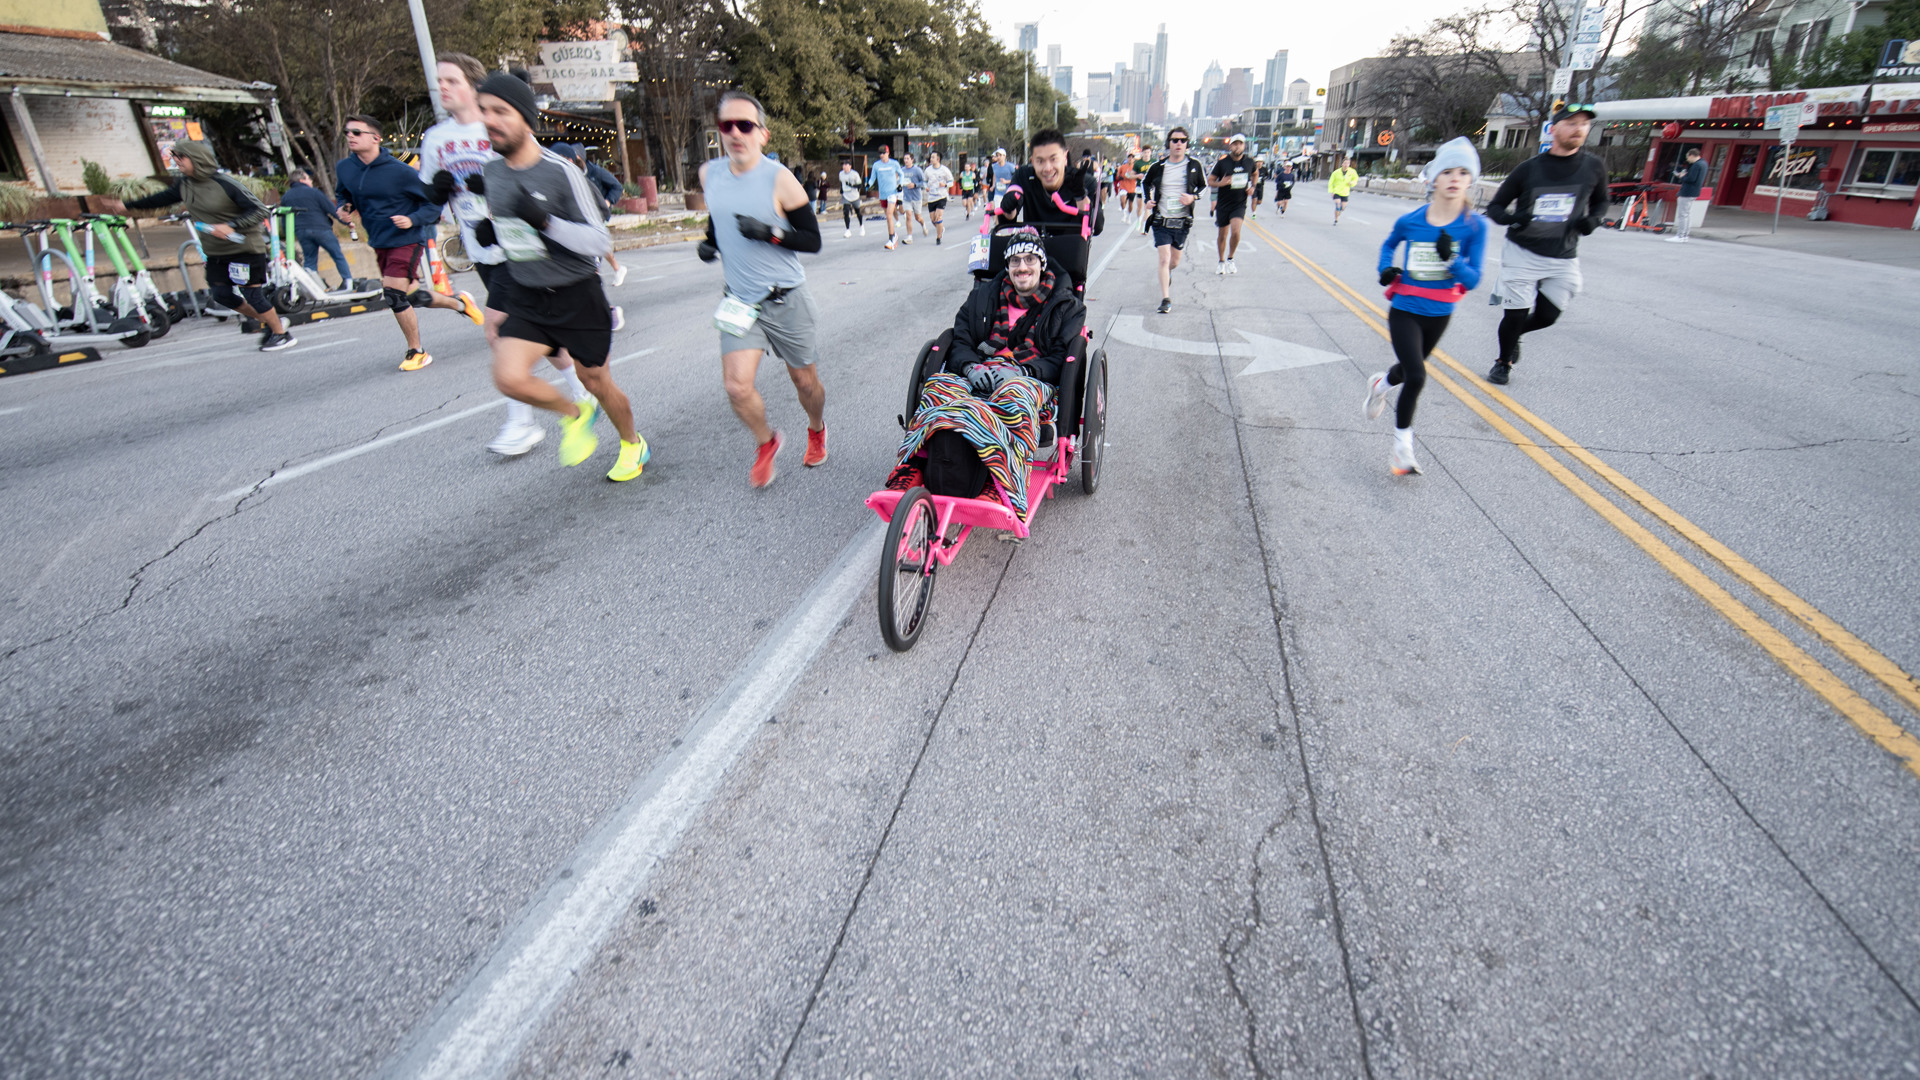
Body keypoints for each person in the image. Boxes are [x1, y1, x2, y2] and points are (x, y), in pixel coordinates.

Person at [473, 72, 648, 481]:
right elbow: (511, 232)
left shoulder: (561, 171)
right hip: (528, 292)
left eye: (500, 111)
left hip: (576, 294)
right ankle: (575, 412)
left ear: (526, 118)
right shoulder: (493, 172)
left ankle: (632, 444)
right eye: (485, 112)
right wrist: (491, 231)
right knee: (508, 377)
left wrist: (544, 221)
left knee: (597, 381)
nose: (490, 120)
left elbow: (598, 239)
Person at [420, 54, 590, 457]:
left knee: (500, 330)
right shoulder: (436, 139)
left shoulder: (497, 126)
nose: (442, 87)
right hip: (481, 249)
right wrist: (438, 195)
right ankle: (584, 392)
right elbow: (432, 201)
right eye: (439, 81)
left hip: (519, 246)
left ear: (474, 85)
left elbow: (536, 177)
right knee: (539, 338)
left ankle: (523, 423)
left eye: (451, 80)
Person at [887, 231, 1084, 520]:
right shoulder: (982, 296)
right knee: (939, 386)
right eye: (1015, 260)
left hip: (1031, 378)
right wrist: (970, 367)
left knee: (1014, 398)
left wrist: (1022, 370)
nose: (1022, 267)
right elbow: (961, 339)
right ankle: (914, 466)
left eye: (1030, 259)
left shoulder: (1066, 305)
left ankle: (999, 481)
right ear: (1007, 266)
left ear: (1042, 264)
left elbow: (1061, 357)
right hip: (980, 369)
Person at [696, 90, 828, 488]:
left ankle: (816, 428)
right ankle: (766, 442)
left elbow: (811, 240)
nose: (736, 133)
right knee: (736, 386)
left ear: (763, 135)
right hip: (739, 300)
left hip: (785, 297)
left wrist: (770, 232)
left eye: (745, 125)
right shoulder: (709, 174)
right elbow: (717, 220)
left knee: (805, 383)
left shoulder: (779, 178)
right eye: (727, 126)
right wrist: (710, 243)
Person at [1364, 137, 1490, 476]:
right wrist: (1386, 270)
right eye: (1447, 170)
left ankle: (1381, 385)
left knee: (1406, 371)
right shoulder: (1411, 221)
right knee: (1417, 376)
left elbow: (1475, 278)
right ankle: (1402, 450)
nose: (1454, 178)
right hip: (1405, 307)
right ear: (1433, 177)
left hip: (1440, 312)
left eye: (1463, 172)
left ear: (1470, 181)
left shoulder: (1476, 226)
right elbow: (1389, 246)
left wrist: (1452, 261)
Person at [333, 114, 483, 371]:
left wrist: (412, 219)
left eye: (357, 132)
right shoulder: (345, 168)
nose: (350, 136)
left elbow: (433, 205)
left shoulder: (401, 172)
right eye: (348, 132)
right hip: (378, 240)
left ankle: (418, 351)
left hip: (407, 239)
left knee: (393, 293)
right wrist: (342, 208)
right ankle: (460, 303)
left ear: (375, 138)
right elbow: (343, 193)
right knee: (413, 295)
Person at [1482, 104, 1609, 386]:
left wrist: (1594, 219)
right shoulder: (1528, 169)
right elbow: (1495, 208)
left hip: (1563, 254)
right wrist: (1515, 219)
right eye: (1572, 122)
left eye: (1584, 124)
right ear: (1553, 129)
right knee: (1514, 313)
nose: (1579, 129)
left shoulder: (1593, 166)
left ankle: (1516, 336)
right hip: (1523, 252)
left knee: (1548, 316)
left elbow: (1602, 201)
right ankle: (1503, 362)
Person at [125, 139, 295, 350]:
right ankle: (272, 322)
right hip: (216, 251)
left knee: (252, 294)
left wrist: (232, 225)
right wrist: (126, 206)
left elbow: (260, 210)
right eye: (174, 158)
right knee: (221, 295)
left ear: (196, 159)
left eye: (181, 157)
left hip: (244, 248)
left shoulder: (224, 183)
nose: (176, 161)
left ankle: (281, 334)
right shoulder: (184, 184)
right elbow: (160, 199)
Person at [982, 129, 1098, 291]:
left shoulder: (1083, 181)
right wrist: (1010, 203)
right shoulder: (1024, 175)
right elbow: (1008, 217)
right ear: (1033, 161)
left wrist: (1079, 195)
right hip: (1031, 250)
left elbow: (1096, 226)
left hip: (1067, 252)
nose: (1047, 168)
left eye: (1053, 159)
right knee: (995, 282)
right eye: (1040, 161)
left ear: (1064, 157)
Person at [1141, 126, 1207, 314]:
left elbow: (1203, 187)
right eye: (1175, 140)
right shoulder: (1158, 167)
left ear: (1187, 144)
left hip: (1182, 221)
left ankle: (1168, 274)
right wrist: (1148, 200)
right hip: (1161, 220)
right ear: (1168, 143)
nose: (1179, 144)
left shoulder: (1194, 165)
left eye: (1183, 140)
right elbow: (1145, 182)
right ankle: (1165, 298)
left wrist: (1192, 197)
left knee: (1174, 261)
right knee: (1164, 257)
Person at [556, 143, 629, 286]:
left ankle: (596, 284)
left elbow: (617, 187)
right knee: (597, 245)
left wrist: (607, 202)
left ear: (581, 158)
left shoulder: (596, 172)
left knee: (593, 248)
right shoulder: (568, 173)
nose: (570, 161)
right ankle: (617, 268)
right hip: (580, 216)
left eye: (574, 159)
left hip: (598, 214)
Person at [281, 169, 350, 288]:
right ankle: (348, 282)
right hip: (321, 229)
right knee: (337, 255)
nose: (311, 180)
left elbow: (284, 217)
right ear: (302, 180)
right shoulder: (314, 192)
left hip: (301, 231)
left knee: (310, 260)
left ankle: (313, 287)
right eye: (308, 178)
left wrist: (288, 236)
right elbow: (331, 209)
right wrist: (346, 223)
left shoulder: (286, 196)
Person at [1209, 133, 1255, 274]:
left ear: (1244, 146)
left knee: (1236, 231)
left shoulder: (1249, 162)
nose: (1237, 146)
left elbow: (1255, 173)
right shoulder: (1223, 163)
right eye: (1235, 144)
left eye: (1240, 143)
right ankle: (1221, 261)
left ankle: (1231, 258)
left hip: (1239, 203)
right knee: (1222, 234)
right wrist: (1220, 183)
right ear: (1230, 146)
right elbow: (1210, 180)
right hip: (1224, 203)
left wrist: (1253, 186)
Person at [1666, 147, 1706, 243]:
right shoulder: (1704, 163)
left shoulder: (1696, 165)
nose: (1687, 159)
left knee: (1682, 214)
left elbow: (1691, 179)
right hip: (1695, 191)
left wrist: (1682, 176)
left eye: (1688, 157)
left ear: (1692, 155)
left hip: (1687, 191)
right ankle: (1685, 235)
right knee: (1687, 214)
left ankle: (1681, 235)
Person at [869, 144, 904, 249]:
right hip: (883, 194)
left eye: (884, 153)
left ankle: (891, 239)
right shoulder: (876, 165)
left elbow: (901, 174)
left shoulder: (894, 163)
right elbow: (872, 179)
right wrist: (867, 185)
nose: (882, 155)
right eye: (880, 153)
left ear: (888, 153)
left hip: (892, 193)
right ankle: (894, 235)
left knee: (889, 215)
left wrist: (900, 185)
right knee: (888, 217)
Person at [922, 151, 954, 245]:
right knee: (933, 219)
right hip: (931, 197)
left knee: (938, 216)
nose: (931, 159)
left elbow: (951, 182)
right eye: (931, 157)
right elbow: (924, 181)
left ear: (938, 159)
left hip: (941, 196)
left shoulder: (944, 170)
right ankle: (941, 228)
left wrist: (945, 185)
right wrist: (926, 187)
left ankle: (938, 237)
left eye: (933, 157)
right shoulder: (928, 170)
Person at [899, 152, 925, 243]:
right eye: (905, 159)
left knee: (918, 217)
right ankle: (909, 237)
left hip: (916, 197)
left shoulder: (917, 170)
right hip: (906, 198)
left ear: (912, 160)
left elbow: (924, 182)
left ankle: (923, 224)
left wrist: (915, 185)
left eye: (907, 159)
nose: (906, 160)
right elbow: (899, 181)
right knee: (908, 216)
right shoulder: (902, 170)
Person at [1327, 156, 1360, 225]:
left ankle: (1338, 212)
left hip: (1345, 192)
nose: (1346, 165)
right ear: (1342, 164)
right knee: (1338, 204)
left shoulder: (1352, 172)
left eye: (1348, 163)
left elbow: (1355, 179)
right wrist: (1331, 191)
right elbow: (1331, 182)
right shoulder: (1336, 172)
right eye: (1345, 163)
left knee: (1343, 207)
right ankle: (1336, 219)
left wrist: (1352, 183)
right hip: (1337, 191)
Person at [837, 159, 865, 237]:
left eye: (846, 165)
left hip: (854, 195)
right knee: (846, 211)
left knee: (857, 212)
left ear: (850, 166)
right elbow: (842, 183)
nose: (844, 166)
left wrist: (851, 185)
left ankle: (861, 226)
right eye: (843, 165)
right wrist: (841, 191)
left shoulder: (854, 174)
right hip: (846, 195)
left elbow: (860, 185)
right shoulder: (841, 174)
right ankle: (847, 230)